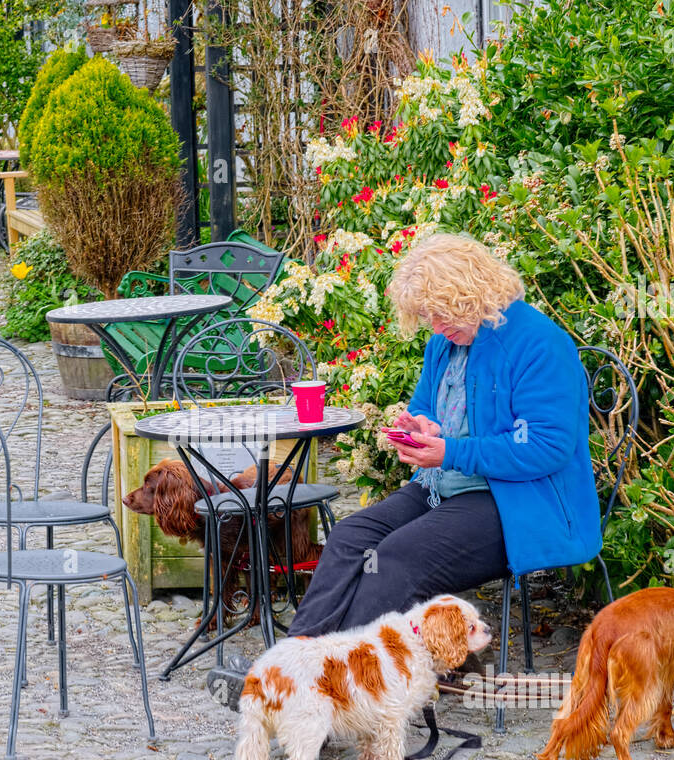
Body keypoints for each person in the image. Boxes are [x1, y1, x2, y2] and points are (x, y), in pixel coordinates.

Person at [208, 233, 602, 710]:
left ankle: (335, 693)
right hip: (444, 487)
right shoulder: (446, 343)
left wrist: (450, 451)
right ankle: (290, 669)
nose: (434, 326)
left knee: (395, 557)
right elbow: (425, 407)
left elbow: (547, 446)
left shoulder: (540, 344)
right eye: (427, 316)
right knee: (352, 537)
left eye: (442, 313)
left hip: (521, 504)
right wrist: (419, 428)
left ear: (473, 292)